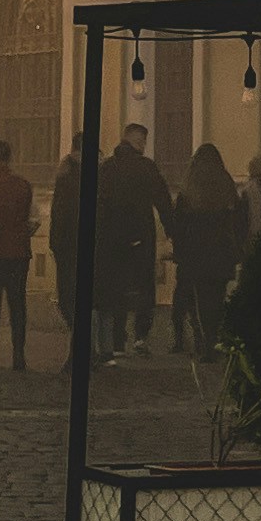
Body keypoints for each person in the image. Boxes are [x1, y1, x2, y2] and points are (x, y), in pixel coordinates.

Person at [94, 124, 174, 359]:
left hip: (111, 239)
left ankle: (117, 341)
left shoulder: (107, 168)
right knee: (143, 288)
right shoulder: (146, 167)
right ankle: (140, 337)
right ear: (139, 142)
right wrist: (172, 230)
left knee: (115, 289)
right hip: (141, 237)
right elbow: (163, 200)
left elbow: (99, 204)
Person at [170, 142, 246, 358]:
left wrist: (179, 251)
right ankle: (214, 339)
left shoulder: (189, 187)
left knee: (199, 299)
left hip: (195, 252)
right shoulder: (226, 184)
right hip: (222, 252)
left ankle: (205, 341)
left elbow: (178, 224)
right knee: (217, 298)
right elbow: (238, 220)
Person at [0, 136, 37, 370]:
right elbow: (34, 220)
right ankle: (18, 356)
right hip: (19, 253)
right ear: (10, 158)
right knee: (17, 305)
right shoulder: (24, 185)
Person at [48, 142, 83, 338]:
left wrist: (55, 242)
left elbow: (58, 212)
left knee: (66, 296)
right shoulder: (71, 175)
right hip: (75, 244)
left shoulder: (64, 174)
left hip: (66, 245)